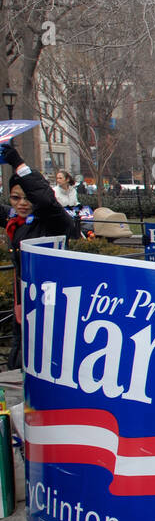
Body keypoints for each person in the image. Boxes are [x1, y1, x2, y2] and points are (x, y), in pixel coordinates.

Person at [3, 144, 81, 366]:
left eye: (27, 198)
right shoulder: (16, 221)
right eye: (15, 198)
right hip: (24, 305)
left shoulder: (53, 219)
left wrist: (20, 166)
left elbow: (46, 200)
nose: (22, 204)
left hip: (51, 308)